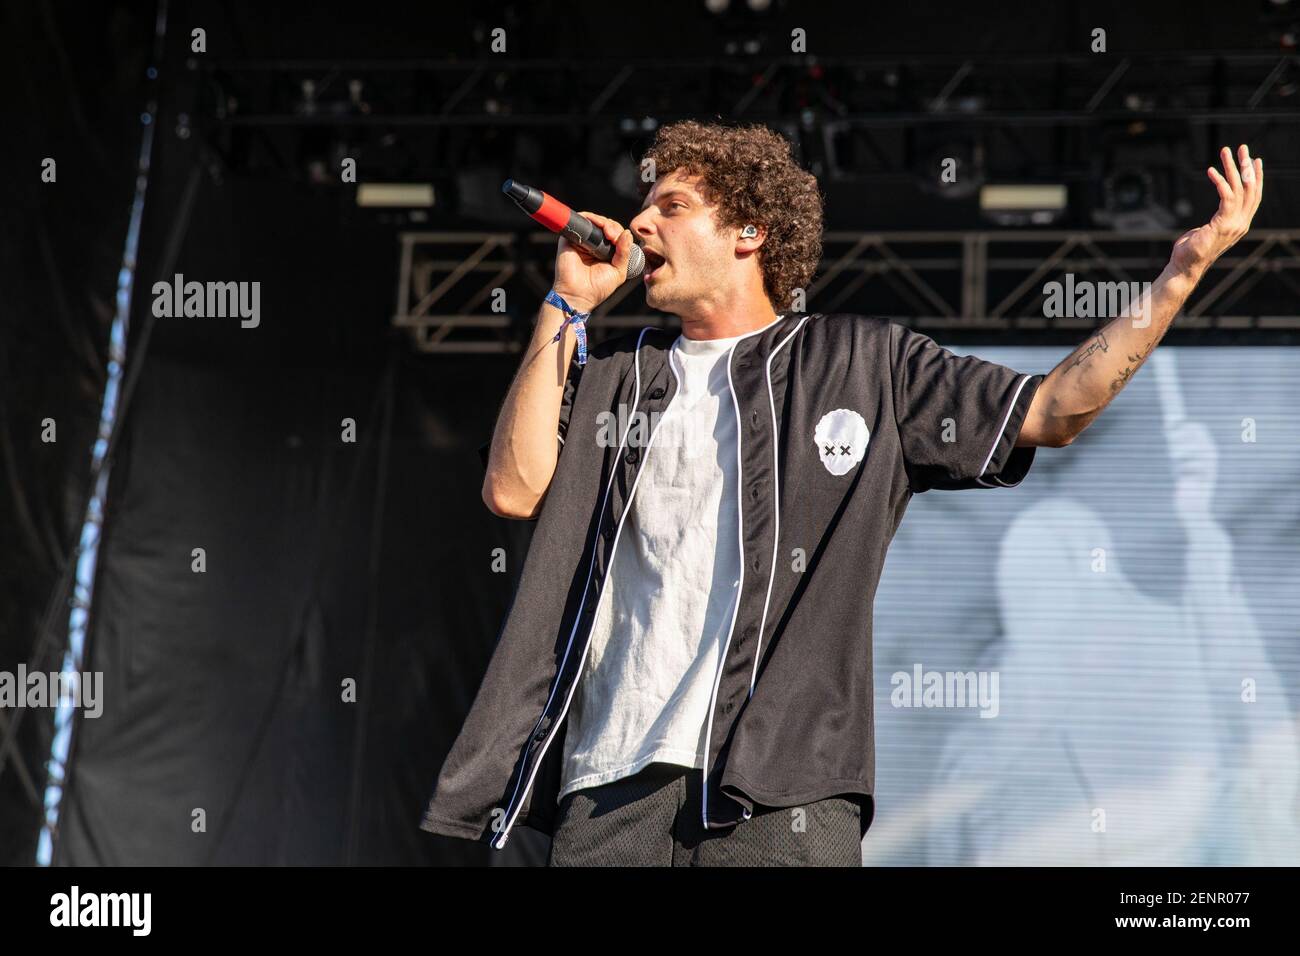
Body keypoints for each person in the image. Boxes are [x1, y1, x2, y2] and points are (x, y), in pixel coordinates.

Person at [419, 120, 1265, 866]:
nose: (640, 222)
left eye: (671, 205)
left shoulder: (864, 366)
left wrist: (1179, 277)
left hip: (781, 794)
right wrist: (565, 303)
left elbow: (1050, 409)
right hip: (610, 789)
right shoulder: (614, 378)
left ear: (749, 230)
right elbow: (514, 488)